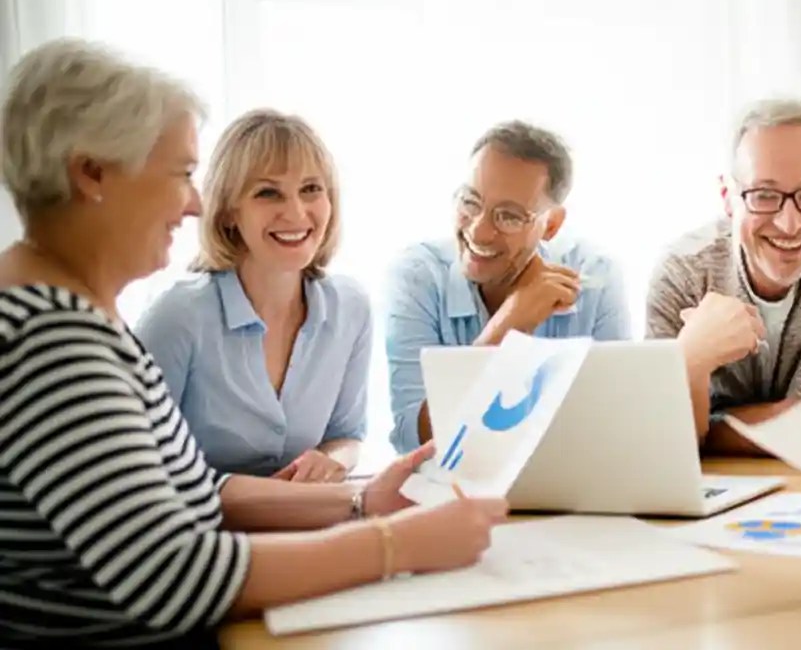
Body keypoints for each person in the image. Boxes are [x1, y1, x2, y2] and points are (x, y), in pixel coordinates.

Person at [0, 38, 506, 648]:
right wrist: (396, 544)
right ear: (92, 175)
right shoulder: (50, 342)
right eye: (182, 174)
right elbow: (170, 573)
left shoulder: (78, 323)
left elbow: (190, 498)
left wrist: (364, 500)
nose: (194, 203)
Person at [647, 98, 801, 454]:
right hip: (712, 492)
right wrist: (692, 358)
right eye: (763, 195)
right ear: (728, 197)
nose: (790, 223)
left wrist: (706, 424)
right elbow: (657, 439)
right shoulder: (682, 271)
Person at [135, 109, 369, 481]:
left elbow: (346, 434)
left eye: (311, 189)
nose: (296, 213)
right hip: (203, 533)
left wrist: (333, 460)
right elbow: (140, 471)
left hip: (305, 526)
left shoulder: (351, 308)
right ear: (228, 213)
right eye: (268, 193)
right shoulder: (179, 316)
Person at [384, 120, 629, 453]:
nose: (480, 231)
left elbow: (615, 427)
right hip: (453, 494)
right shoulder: (418, 276)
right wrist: (508, 326)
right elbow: (416, 439)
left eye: (509, 216)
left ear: (551, 225)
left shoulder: (596, 277)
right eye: (470, 202)